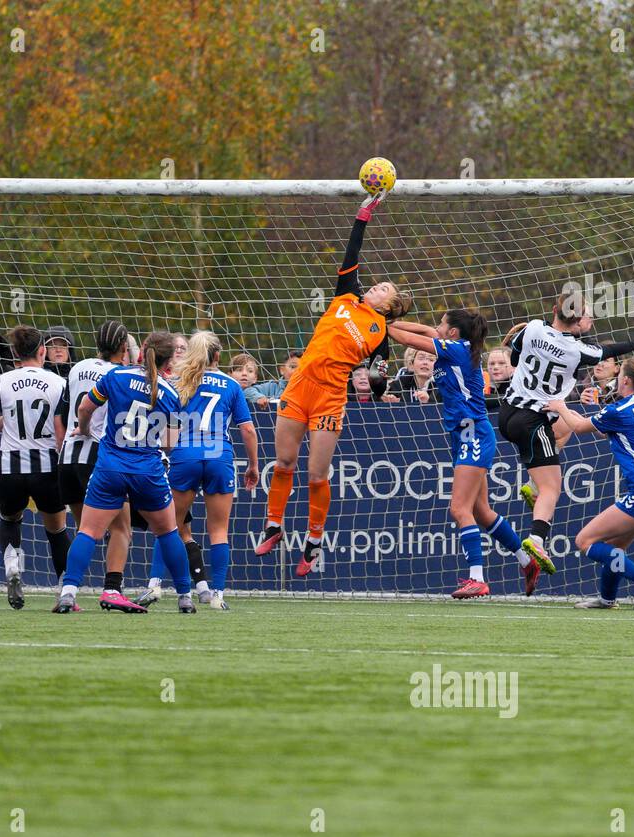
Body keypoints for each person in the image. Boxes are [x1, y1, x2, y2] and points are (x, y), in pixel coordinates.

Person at [255, 193, 413, 577]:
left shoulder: (380, 333)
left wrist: (377, 382)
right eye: (378, 283)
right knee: (284, 463)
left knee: (315, 474)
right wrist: (363, 215)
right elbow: (351, 252)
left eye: (384, 289)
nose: (376, 286)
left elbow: (380, 377)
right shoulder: (346, 295)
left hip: (329, 398)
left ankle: (312, 541)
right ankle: (274, 525)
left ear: (389, 307)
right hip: (298, 387)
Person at [499, 293, 634, 574]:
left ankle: (532, 487)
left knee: (564, 428)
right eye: (586, 315)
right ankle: (536, 539)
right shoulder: (577, 350)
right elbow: (606, 351)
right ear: (577, 321)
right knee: (553, 488)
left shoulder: (534, 327)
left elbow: (514, 353)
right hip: (531, 419)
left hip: (508, 411)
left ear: (553, 310)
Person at [386, 310, 540, 598]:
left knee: (458, 509)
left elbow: (407, 338)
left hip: (473, 434)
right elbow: (424, 330)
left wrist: (380, 326)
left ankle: (477, 579)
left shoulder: (456, 349)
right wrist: (387, 322)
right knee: (482, 511)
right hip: (463, 435)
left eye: (443, 323)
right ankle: (526, 561)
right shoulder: (454, 345)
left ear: (454, 332)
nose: (437, 327)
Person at [54, 332, 197, 614]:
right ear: (169, 362)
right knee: (168, 531)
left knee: (88, 531)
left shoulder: (116, 376)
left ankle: (68, 593)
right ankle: (185, 597)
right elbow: (170, 442)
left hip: (110, 466)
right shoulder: (170, 394)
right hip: (148, 471)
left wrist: (83, 429)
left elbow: (85, 407)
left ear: (142, 351)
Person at [137, 331, 259, 610]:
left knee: (168, 526)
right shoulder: (230, 384)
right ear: (218, 356)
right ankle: (217, 596)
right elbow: (248, 430)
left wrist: (172, 451)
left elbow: (164, 428)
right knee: (219, 530)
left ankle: (154, 586)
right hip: (219, 456)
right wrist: (253, 465)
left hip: (185, 455)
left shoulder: (179, 381)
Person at [546, 357, 634, 610]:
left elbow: (581, 428)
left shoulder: (620, 409)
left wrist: (558, 406)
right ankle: (607, 599)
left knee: (585, 541)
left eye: (619, 375)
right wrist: (570, 412)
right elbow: (603, 428)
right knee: (615, 547)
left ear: (625, 379)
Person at [0, 326, 71, 610]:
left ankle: (12, 566)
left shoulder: (2, 381)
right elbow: (60, 433)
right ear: (42, 351)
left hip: (10, 466)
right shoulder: (58, 382)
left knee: (10, 519)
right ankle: (64, 587)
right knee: (56, 530)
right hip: (46, 465)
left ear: (15, 353)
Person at [56, 320, 139, 609]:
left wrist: (63, 445)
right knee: (121, 529)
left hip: (68, 458)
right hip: (99, 457)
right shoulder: (119, 375)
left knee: (85, 532)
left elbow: (61, 414)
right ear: (122, 347)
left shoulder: (77, 368)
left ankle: (68, 592)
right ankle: (112, 589)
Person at [483, 345, 514, 411]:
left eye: (501, 363)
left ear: (514, 366)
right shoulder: (484, 384)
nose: (495, 367)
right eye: (492, 363)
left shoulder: (519, 387)